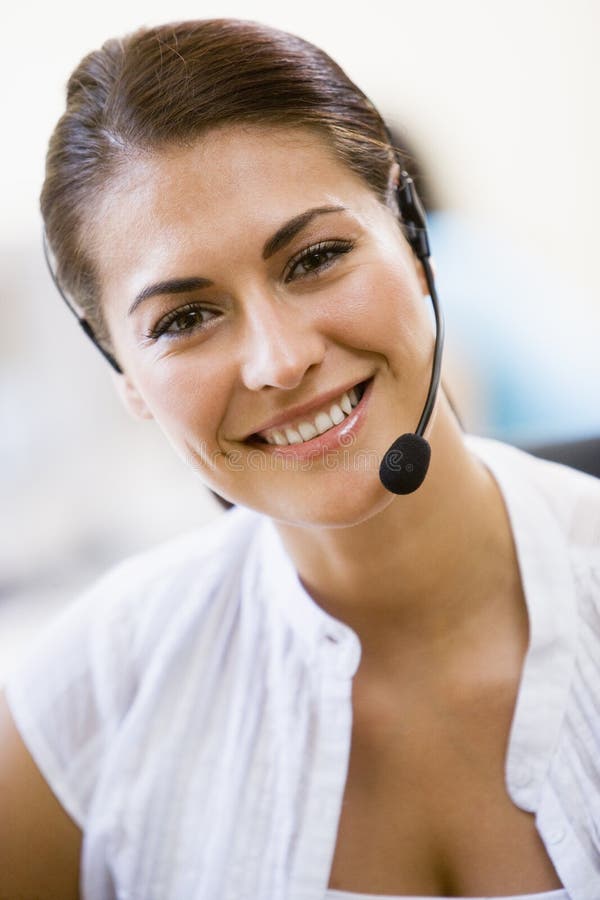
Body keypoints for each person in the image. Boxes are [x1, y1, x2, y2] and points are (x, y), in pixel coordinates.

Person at [1, 18, 598, 900]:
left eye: (316, 258)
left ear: (415, 238)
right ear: (125, 380)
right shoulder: (81, 707)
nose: (279, 360)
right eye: (185, 319)